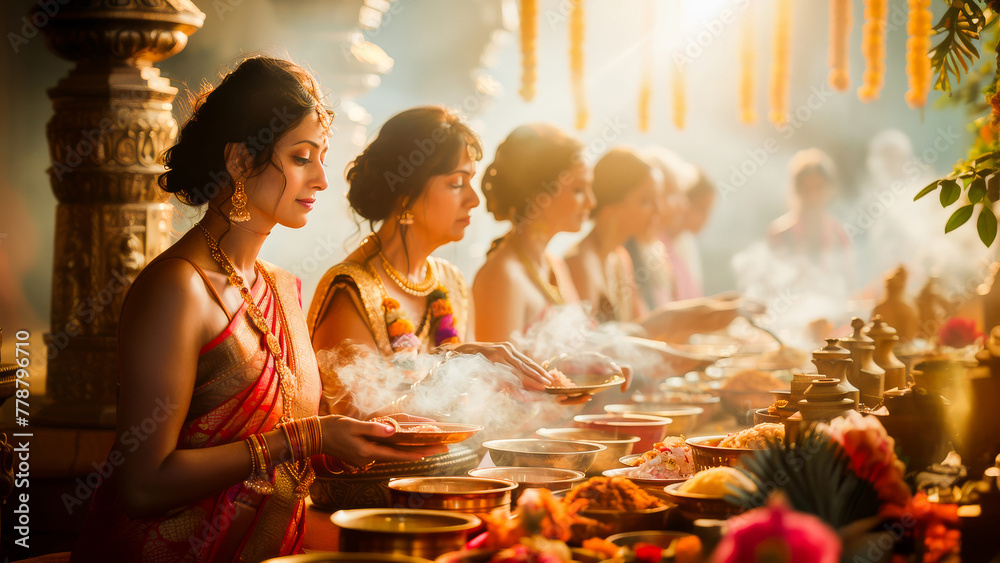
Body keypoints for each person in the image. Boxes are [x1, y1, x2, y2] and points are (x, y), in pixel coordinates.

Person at [71, 57, 443, 563]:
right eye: (301, 157)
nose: (321, 180)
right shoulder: (178, 288)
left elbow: (292, 441)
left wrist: (347, 443)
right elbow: (142, 485)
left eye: (322, 157)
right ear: (240, 162)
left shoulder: (278, 286)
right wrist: (303, 438)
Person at [308, 107, 573, 419]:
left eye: (471, 181)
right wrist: (453, 361)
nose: (474, 199)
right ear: (406, 192)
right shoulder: (351, 289)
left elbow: (469, 405)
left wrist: (540, 392)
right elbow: (355, 427)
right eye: (457, 183)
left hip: (455, 464)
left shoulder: (450, 280)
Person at [473, 128, 733, 378]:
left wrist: (682, 335)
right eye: (578, 190)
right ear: (539, 193)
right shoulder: (502, 276)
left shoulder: (552, 264)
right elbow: (498, 388)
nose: (592, 201)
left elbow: (586, 349)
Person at [564, 147, 742, 343]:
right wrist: (677, 317)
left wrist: (705, 313)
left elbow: (641, 333)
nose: (659, 210)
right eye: (646, 201)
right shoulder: (579, 262)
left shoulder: (619, 258)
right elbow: (584, 352)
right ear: (613, 203)